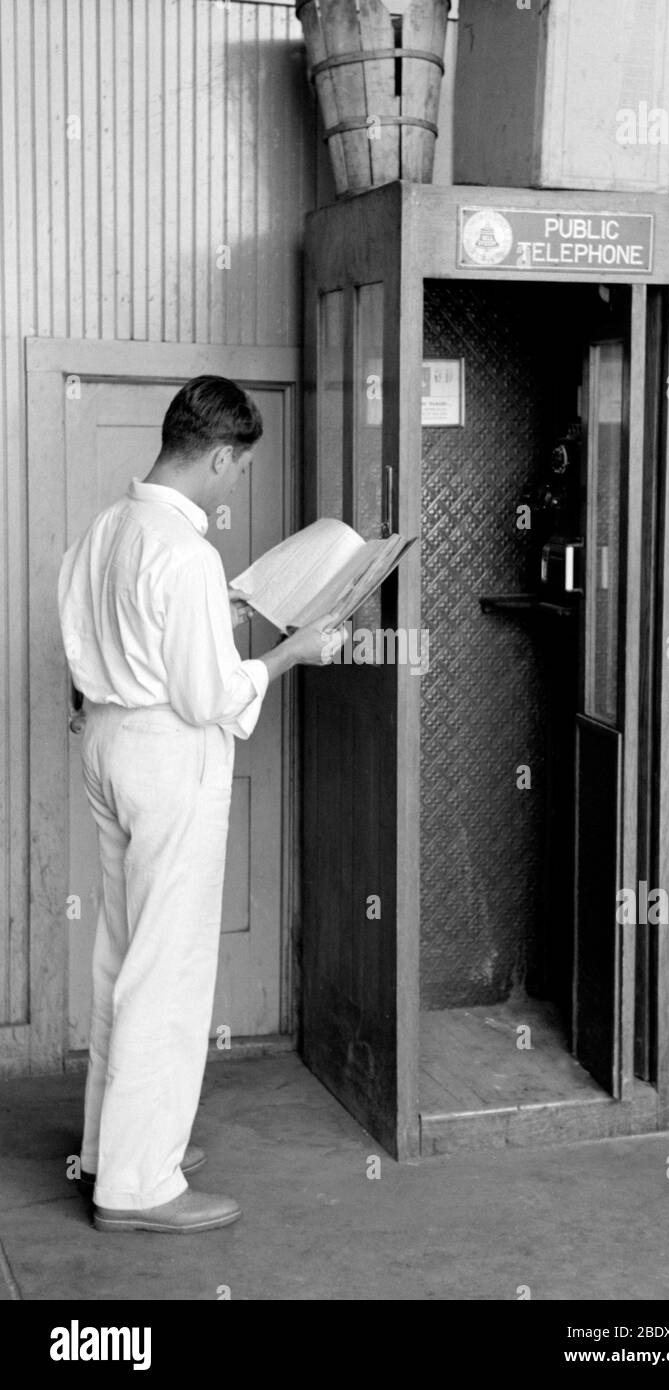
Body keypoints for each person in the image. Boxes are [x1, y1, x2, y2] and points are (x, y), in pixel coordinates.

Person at [58, 375, 343, 1235]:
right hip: (165, 754)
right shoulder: (186, 552)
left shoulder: (113, 526)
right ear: (220, 453)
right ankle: (139, 1188)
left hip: (107, 740)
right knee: (168, 968)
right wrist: (295, 651)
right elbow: (210, 694)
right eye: (239, 467)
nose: (236, 482)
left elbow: (103, 632)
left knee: (122, 954)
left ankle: (114, 1150)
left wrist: (215, 609)